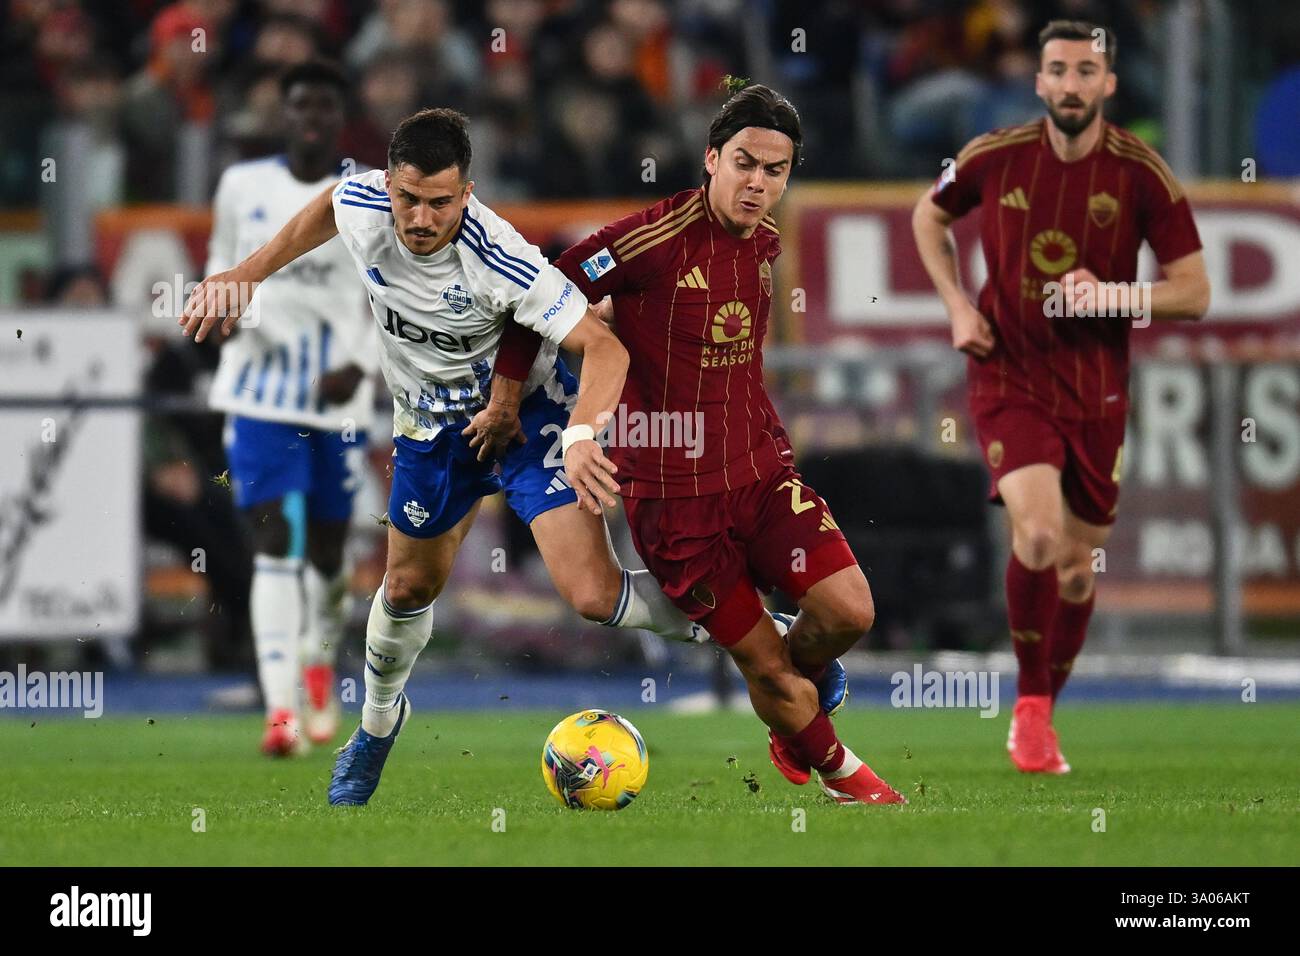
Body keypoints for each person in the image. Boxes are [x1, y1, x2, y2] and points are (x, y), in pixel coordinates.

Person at [182, 105, 706, 804]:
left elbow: (602, 346)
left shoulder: (503, 258)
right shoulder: (364, 201)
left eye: (438, 203)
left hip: (527, 421)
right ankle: (374, 729)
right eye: (408, 199)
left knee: (592, 594)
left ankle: (759, 637)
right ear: (390, 185)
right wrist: (246, 274)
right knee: (404, 589)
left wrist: (580, 433)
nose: (420, 219)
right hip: (430, 430)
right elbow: (325, 209)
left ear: (467, 193)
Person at [495, 81, 904, 805]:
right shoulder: (647, 241)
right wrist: (506, 399)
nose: (757, 183)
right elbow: (540, 301)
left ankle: (787, 715)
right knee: (772, 668)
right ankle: (846, 777)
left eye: (775, 171)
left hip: (761, 477)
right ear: (711, 158)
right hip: (677, 508)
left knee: (849, 613)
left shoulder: (767, 243)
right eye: (744, 163)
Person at [911, 20, 1210, 772]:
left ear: (1107, 84)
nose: (1071, 85)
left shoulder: (1141, 173)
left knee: (1078, 567)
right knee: (1038, 535)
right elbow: (930, 215)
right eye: (1057, 71)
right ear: (1038, 82)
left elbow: (1195, 292)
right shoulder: (995, 156)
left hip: (1097, 392)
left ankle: (1045, 703)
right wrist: (956, 304)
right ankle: (1030, 711)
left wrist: (1112, 296)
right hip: (1008, 372)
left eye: (1086, 71)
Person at [203, 60, 376, 756]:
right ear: (283, 114)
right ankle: (279, 712)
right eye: (299, 104)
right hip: (258, 395)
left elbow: (383, 290)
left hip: (339, 401)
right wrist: (242, 322)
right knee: (275, 542)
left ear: (340, 116)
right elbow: (220, 272)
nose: (310, 117)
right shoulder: (242, 187)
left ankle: (318, 660)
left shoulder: (364, 195)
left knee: (330, 556)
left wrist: (360, 363)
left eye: (324, 106)